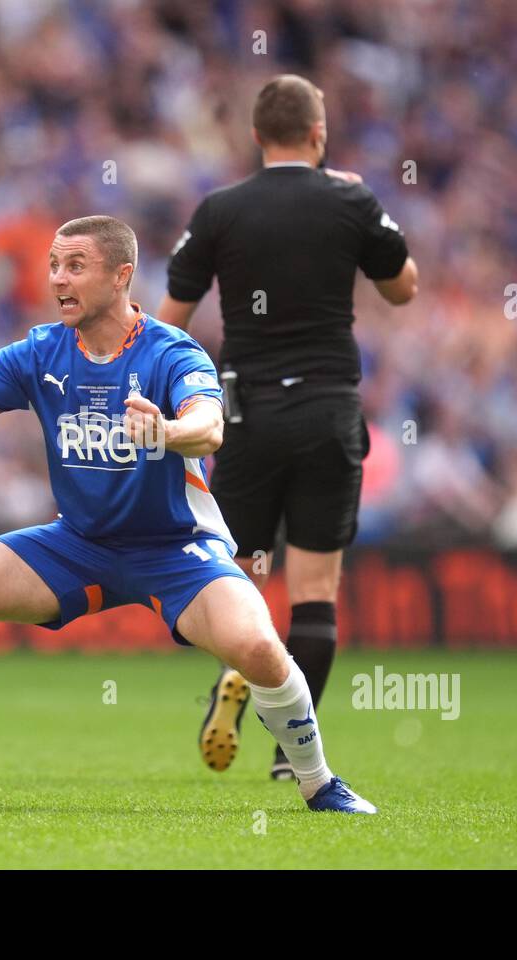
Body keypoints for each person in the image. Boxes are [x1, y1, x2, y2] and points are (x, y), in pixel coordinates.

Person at [0, 215, 376, 812]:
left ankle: (320, 783)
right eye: (55, 265)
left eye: (75, 266)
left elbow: (208, 427)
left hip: (176, 549)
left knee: (259, 649)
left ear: (121, 276)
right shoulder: (38, 351)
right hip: (79, 544)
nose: (58, 277)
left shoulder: (171, 351)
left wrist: (165, 429)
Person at [158, 75, 418, 779]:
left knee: (235, 581)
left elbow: (169, 320)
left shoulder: (221, 210)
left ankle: (234, 680)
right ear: (318, 133)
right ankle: (288, 754)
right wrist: (362, 210)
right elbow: (404, 286)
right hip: (329, 409)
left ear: (254, 137)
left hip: (247, 413)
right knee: (315, 589)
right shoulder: (352, 199)